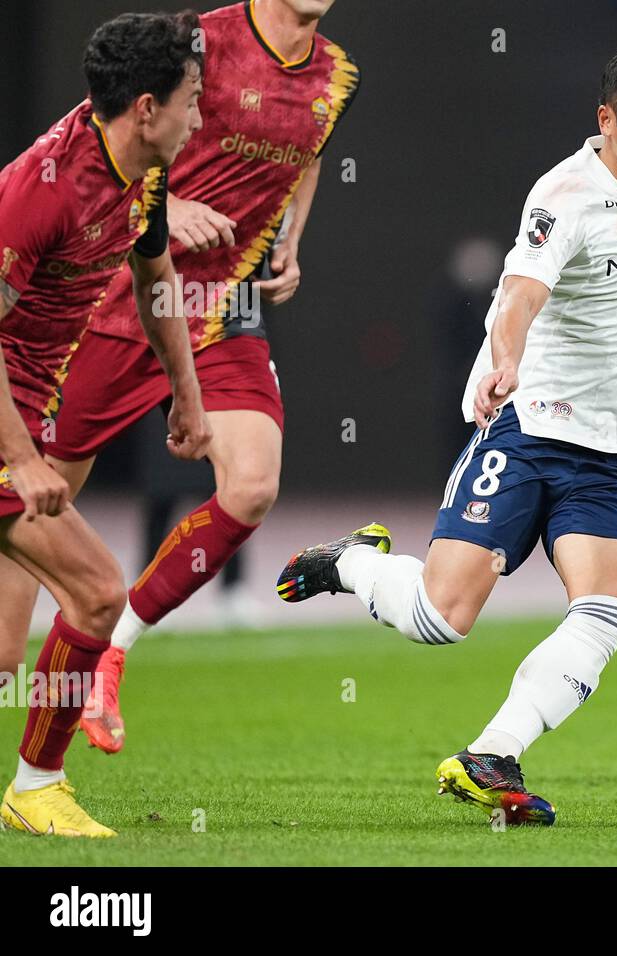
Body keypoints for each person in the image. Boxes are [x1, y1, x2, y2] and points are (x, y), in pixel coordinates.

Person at [277, 43, 617, 826]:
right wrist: (504, 363)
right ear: (607, 121)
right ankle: (355, 565)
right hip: (529, 426)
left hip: (611, 455)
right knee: (442, 618)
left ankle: (491, 754)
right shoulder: (565, 195)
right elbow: (518, 298)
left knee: (608, 606)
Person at [0, 0, 360, 756]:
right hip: (115, 301)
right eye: (188, 104)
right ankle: (14, 677)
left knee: (252, 485)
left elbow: (312, 149)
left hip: (214, 303)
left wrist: (295, 231)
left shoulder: (336, 76)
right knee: (34, 508)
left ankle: (112, 654)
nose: (195, 116)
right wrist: (168, 203)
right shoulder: (197, 39)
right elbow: (111, 119)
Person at [0, 11, 211, 837]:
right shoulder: (44, 189)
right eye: (193, 102)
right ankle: (36, 787)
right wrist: (21, 458)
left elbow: (155, 275)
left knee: (6, 659)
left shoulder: (142, 172)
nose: (201, 120)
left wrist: (185, 394)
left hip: (22, 411)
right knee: (95, 592)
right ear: (149, 106)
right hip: (8, 425)